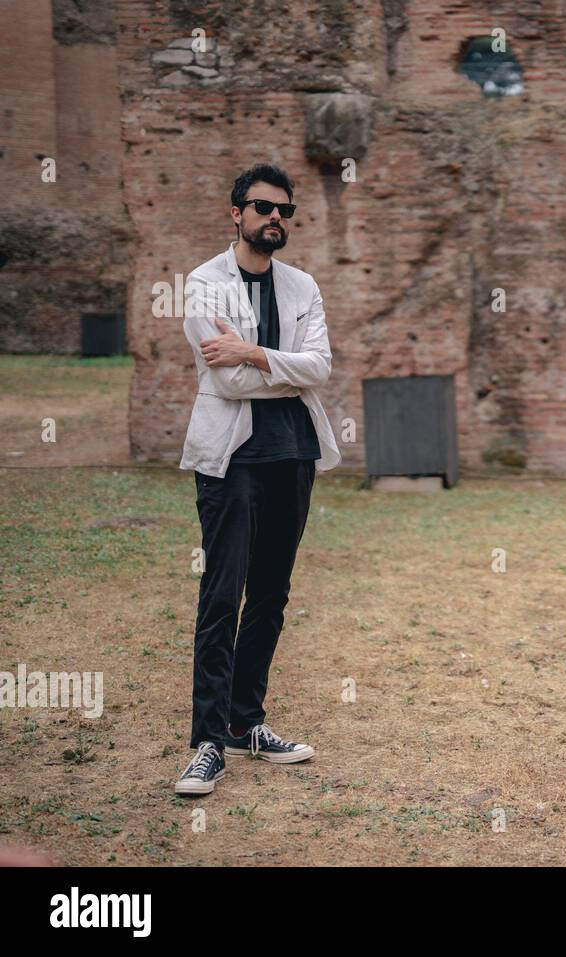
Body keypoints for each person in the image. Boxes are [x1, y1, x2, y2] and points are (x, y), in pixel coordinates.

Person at [174, 163, 340, 795]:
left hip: (292, 454)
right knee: (222, 595)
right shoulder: (205, 283)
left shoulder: (303, 286)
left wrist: (252, 352)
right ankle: (208, 741)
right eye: (263, 207)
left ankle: (246, 723)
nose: (275, 218)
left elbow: (319, 368)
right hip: (232, 459)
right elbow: (224, 378)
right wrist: (274, 366)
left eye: (284, 210)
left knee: (270, 594)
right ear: (236, 213)